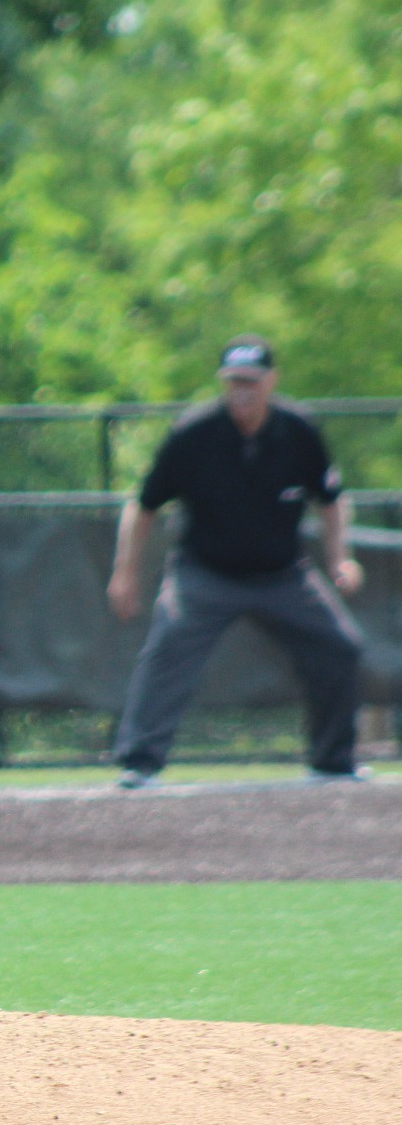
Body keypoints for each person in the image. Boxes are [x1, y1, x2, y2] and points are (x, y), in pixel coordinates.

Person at [108, 335, 366, 788]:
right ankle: (140, 762)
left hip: (283, 574)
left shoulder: (298, 429)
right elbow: (143, 505)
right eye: (233, 382)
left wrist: (340, 558)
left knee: (340, 647)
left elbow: (331, 500)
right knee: (169, 645)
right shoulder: (195, 432)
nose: (242, 391)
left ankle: (332, 763)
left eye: (250, 381)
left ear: (271, 381)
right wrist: (124, 573)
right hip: (206, 573)